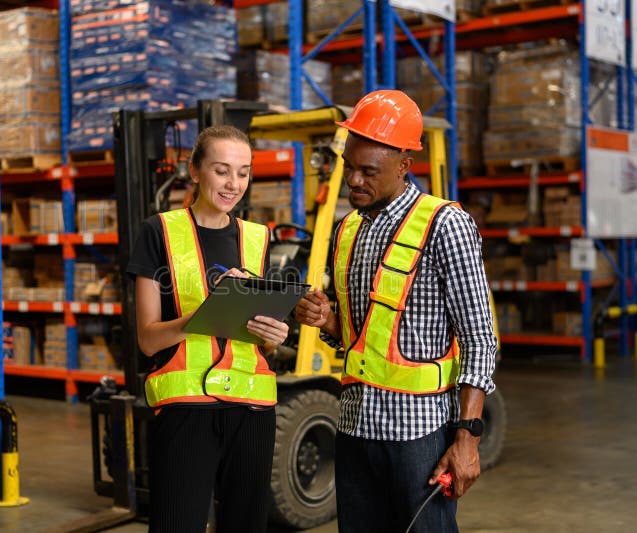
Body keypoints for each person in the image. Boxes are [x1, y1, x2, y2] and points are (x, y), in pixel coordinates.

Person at [295, 90, 497, 533]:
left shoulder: (445, 225)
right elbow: (361, 338)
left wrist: (467, 438)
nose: (354, 180)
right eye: (349, 166)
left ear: (405, 165)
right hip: (354, 427)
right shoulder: (348, 230)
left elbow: (480, 338)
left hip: (418, 436)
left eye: (369, 171)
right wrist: (327, 320)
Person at [126, 124, 289, 533]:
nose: (234, 184)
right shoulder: (158, 232)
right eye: (222, 170)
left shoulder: (258, 238)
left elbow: (257, 343)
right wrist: (208, 311)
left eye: (243, 172)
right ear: (194, 171)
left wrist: (273, 335)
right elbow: (147, 340)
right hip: (186, 409)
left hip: (252, 409)